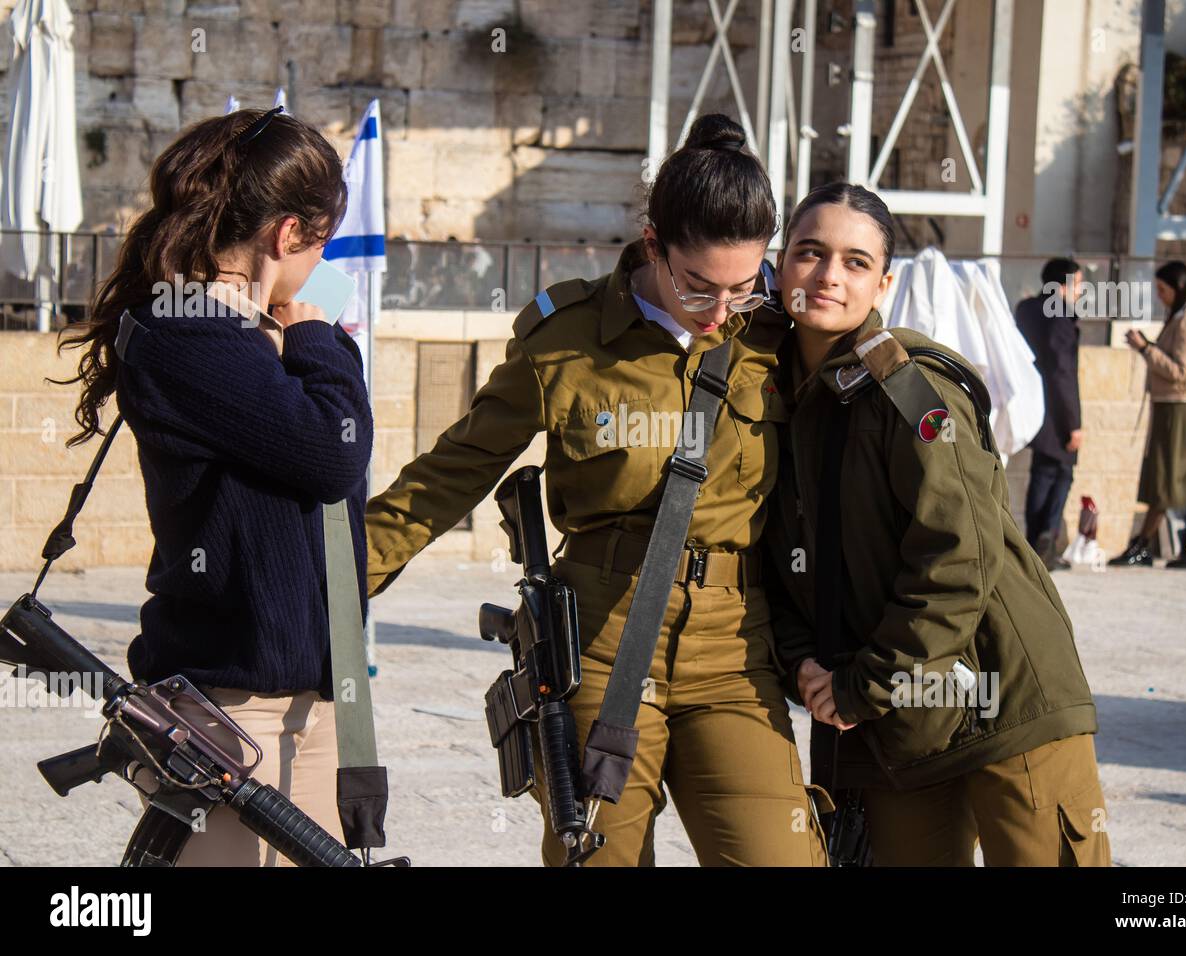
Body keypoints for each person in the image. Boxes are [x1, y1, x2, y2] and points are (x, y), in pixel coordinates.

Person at [365, 114, 828, 867]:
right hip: (601, 643)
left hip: (735, 646)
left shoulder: (775, 334)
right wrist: (337, 577)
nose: (719, 315)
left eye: (743, 290)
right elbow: (455, 471)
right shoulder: (568, 339)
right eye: (698, 287)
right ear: (654, 245)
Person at [54, 107, 370, 865]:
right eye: (321, 244)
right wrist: (320, 337)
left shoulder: (254, 331)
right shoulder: (185, 334)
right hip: (229, 706)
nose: (320, 266)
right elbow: (333, 451)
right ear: (288, 233)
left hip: (314, 694)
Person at [762, 182, 1111, 866]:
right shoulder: (770, 398)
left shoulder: (910, 393)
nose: (829, 275)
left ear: (884, 283)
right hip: (890, 721)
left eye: (856, 262)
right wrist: (802, 659)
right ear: (780, 266)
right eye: (810, 253)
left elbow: (958, 560)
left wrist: (863, 684)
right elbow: (777, 556)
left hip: (1001, 698)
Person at [1110, 261, 1186, 570]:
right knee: (1180, 474)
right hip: (1170, 405)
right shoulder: (1180, 319)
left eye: (1163, 290)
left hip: (1177, 405)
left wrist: (1146, 349)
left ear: (1178, 288)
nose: (1160, 296)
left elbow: (1180, 371)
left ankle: (1144, 545)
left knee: (1168, 474)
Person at [1015, 258, 1085, 571]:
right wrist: (1074, 424)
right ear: (1060, 288)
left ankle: (1035, 546)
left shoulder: (1028, 309)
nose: (1081, 292)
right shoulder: (1059, 317)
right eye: (1078, 285)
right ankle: (1045, 543)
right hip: (1055, 412)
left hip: (1032, 403)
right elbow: (1062, 373)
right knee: (1060, 474)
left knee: (1042, 474)